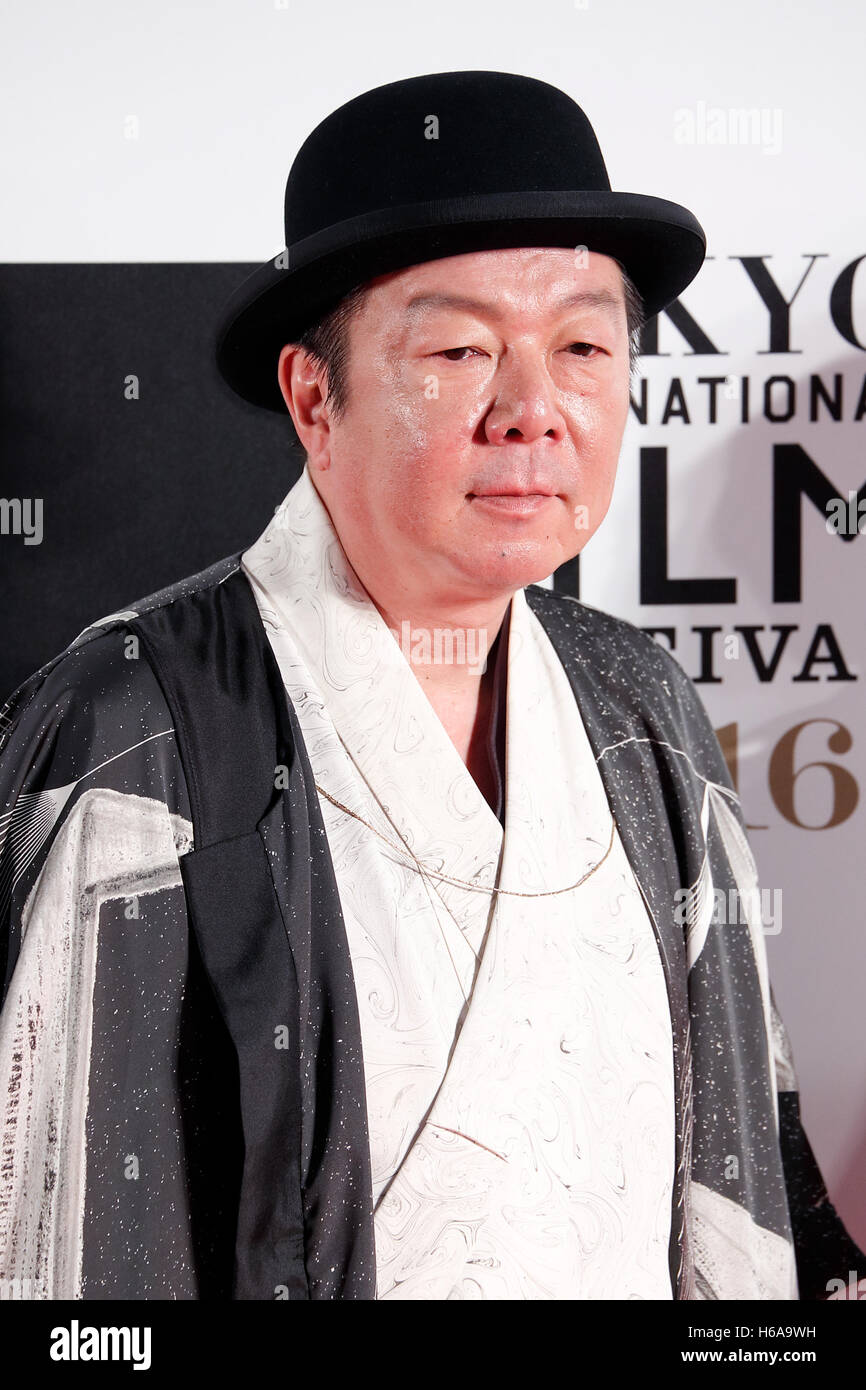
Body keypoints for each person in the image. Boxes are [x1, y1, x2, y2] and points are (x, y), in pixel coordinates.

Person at [0, 70, 862, 1302]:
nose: (532, 411)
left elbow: (745, 1181)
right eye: (458, 349)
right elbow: (60, 1254)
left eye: (579, 346)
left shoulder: (639, 704)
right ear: (314, 395)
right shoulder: (134, 720)